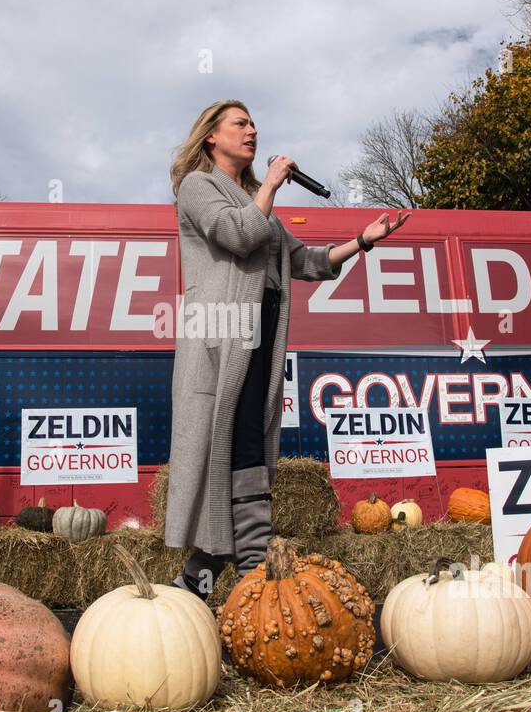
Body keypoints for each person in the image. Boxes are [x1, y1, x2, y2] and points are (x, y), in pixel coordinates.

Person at [164, 99, 409, 597]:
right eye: (240, 123)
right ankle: (221, 579)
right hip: (220, 338)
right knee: (223, 449)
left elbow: (305, 261)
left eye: (254, 122)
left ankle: (236, 579)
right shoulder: (199, 186)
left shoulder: (256, 197)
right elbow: (236, 234)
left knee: (248, 445)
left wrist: (362, 240)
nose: (252, 130)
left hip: (259, 338)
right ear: (212, 136)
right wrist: (272, 184)